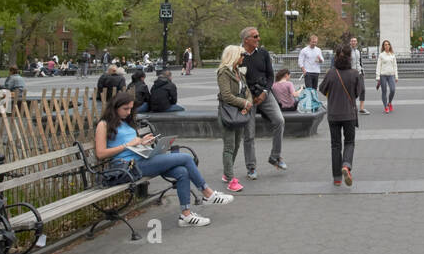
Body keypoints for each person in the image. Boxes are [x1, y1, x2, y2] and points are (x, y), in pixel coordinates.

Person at [95, 91, 231, 227]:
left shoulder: (125, 122)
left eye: (131, 109)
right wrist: (127, 145)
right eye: (126, 109)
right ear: (115, 107)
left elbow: (132, 143)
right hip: (129, 167)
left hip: (142, 159)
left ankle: (186, 215)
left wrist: (142, 142)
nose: (129, 112)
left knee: (182, 172)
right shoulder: (104, 124)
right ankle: (207, 193)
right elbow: (100, 153)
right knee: (186, 158)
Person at [240, 26, 286, 177]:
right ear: (246, 39)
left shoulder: (263, 53)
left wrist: (265, 92)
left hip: (264, 94)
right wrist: (247, 96)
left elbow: (271, 76)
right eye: (255, 36)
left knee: (279, 120)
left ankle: (275, 157)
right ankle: (251, 166)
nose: (258, 39)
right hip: (247, 97)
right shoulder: (238, 54)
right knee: (249, 133)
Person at [319, 45, 365, 186]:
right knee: (350, 142)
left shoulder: (331, 73)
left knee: (335, 145)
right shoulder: (355, 73)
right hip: (349, 114)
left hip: (333, 114)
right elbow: (358, 93)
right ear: (350, 58)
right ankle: (346, 165)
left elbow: (322, 89)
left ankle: (337, 178)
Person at [216, 45, 253, 192]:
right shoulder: (223, 72)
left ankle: (227, 173)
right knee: (229, 147)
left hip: (239, 112)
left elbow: (247, 90)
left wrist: (248, 102)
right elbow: (226, 95)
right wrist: (244, 103)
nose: (243, 58)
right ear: (233, 56)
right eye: (241, 55)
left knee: (237, 144)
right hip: (228, 113)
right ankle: (231, 180)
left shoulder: (238, 72)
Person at [349, 37, 370, 115]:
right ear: (350, 42)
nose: (353, 42)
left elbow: (360, 62)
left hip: (359, 72)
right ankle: (351, 107)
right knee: (352, 90)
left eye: (355, 41)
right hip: (351, 73)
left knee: (363, 89)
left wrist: (362, 71)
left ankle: (361, 108)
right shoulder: (347, 51)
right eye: (352, 41)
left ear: (356, 42)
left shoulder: (358, 51)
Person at [375, 40, 398, 112]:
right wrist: (378, 77)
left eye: (388, 44)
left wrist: (396, 76)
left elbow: (395, 66)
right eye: (385, 45)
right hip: (383, 75)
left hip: (391, 75)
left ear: (390, 46)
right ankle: (385, 107)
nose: (387, 46)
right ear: (383, 46)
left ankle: (389, 103)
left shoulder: (392, 55)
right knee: (384, 91)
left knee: (392, 90)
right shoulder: (381, 55)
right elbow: (378, 66)